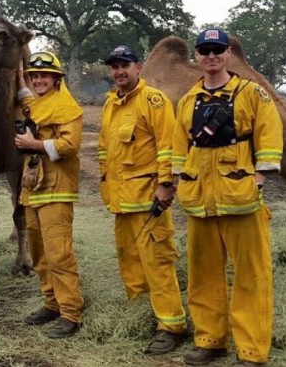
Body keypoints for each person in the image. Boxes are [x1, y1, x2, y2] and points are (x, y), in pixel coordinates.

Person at [172, 29, 283, 367]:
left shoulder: (253, 94)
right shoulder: (189, 100)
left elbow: (269, 133)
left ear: (228, 54)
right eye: (204, 50)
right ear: (197, 56)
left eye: (217, 50)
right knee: (203, 273)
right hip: (200, 198)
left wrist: (259, 176)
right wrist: (179, 179)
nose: (211, 56)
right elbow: (180, 147)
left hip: (241, 196)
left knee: (251, 275)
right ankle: (210, 340)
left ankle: (250, 351)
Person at [97, 45, 187, 355]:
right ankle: (141, 315)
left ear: (139, 68)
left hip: (149, 200)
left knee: (158, 263)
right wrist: (105, 185)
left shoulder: (154, 101)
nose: (119, 71)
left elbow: (168, 146)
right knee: (129, 262)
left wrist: (166, 185)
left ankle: (171, 326)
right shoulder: (111, 104)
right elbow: (104, 150)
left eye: (125, 65)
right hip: (122, 202)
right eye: (114, 66)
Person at [14, 51, 84, 339]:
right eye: (35, 75)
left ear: (57, 79)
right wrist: (18, 72)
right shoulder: (38, 104)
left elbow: (70, 144)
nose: (39, 80)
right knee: (39, 253)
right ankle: (51, 303)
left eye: (45, 75)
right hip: (33, 190)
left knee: (59, 254)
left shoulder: (67, 106)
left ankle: (70, 313)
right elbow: (27, 99)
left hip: (56, 190)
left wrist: (35, 144)